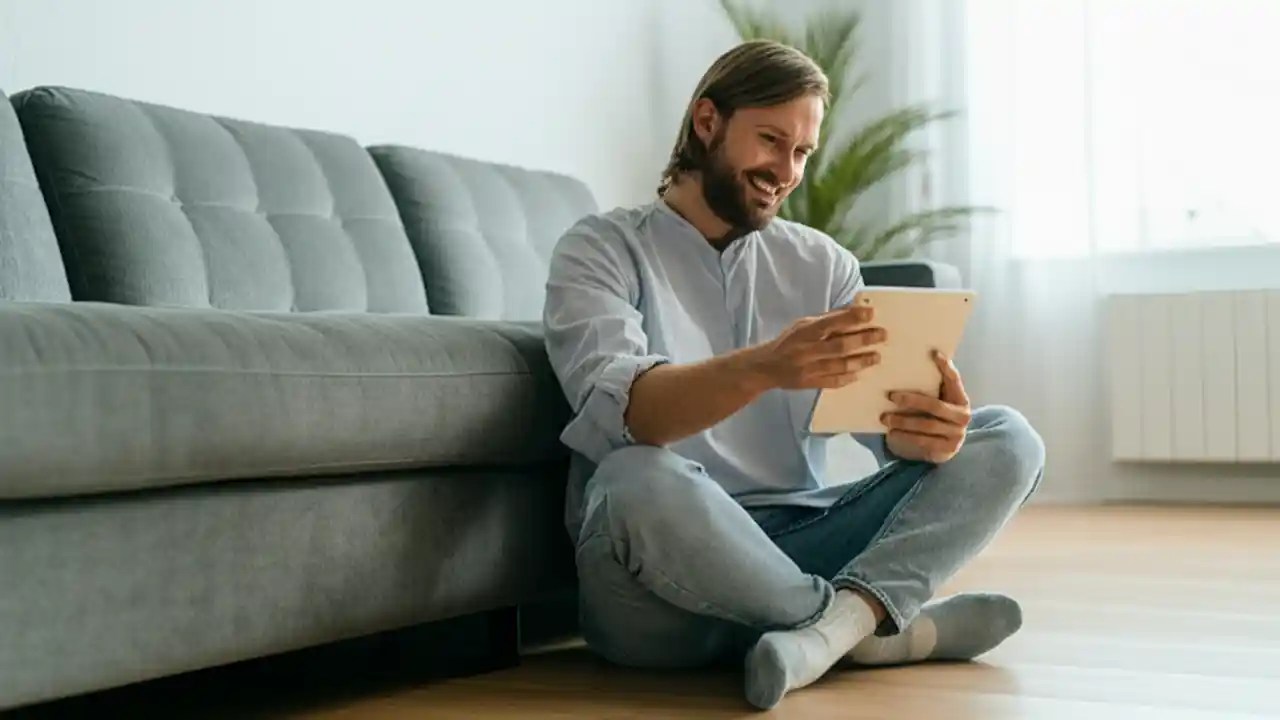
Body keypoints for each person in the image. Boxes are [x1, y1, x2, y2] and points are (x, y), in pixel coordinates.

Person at [541, 39, 1045, 710]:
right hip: (655, 589)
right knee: (633, 477)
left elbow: (879, 433)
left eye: (802, 152)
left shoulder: (824, 265)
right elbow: (637, 418)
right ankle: (867, 629)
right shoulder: (600, 249)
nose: (785, 169)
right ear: (706, 122)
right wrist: (768, 365)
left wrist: (922, 434)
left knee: (1008, 438)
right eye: (771, 140)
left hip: (802, 535)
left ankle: (825, 631)